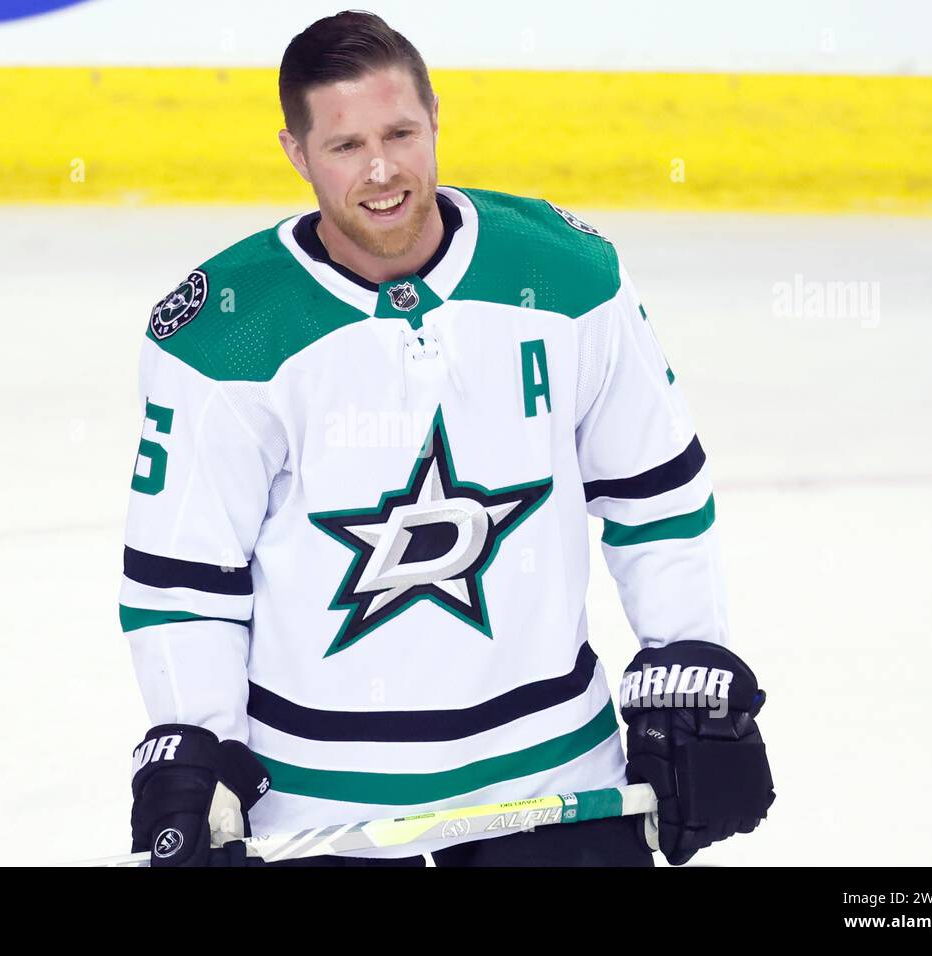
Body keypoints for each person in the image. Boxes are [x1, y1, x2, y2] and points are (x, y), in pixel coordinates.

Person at [121, 10, 774, 868]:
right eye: (346, 146)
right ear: (295, 153)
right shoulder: (222, 335)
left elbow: (656, 496)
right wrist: (197, 757)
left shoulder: (567, 277)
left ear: (436, 118)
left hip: (557, 782)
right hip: (315, 811)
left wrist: (690, 664)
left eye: (401, 132)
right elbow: (185, 580)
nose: (383, 169)